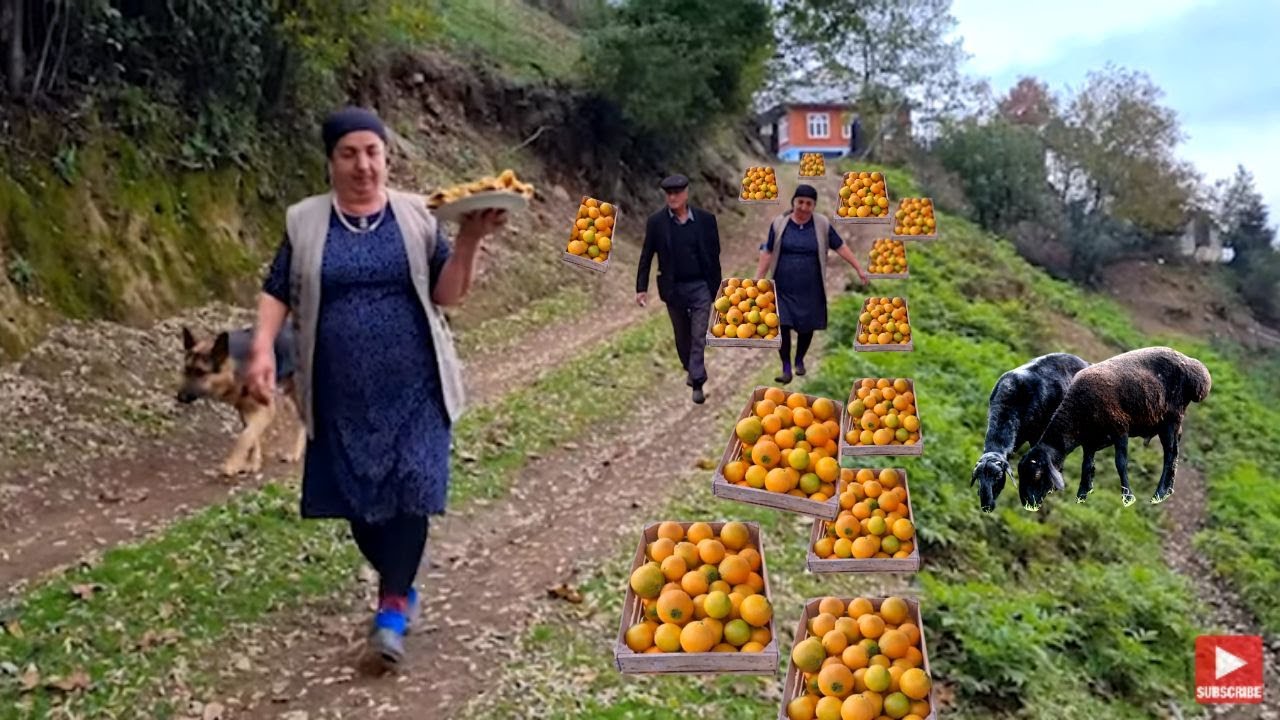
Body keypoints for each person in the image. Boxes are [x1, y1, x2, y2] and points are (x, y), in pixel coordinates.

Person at [242, 106, 507, 670]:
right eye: (349, 154)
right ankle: (402, 586)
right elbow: (276, 289)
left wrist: (468, 242)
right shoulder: (306, 223)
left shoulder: (416, 215)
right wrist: (263, 347)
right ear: (331, 161)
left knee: (412, 486)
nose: (363, 165)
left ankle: (390, 613)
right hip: (338, 391)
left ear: (386, 156)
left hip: (415, 385)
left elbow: (447, 296)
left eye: (373, 152)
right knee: (361, 503)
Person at [755, 183, 868, 384]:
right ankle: (786, 367)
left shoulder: (822, 224)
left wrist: (858, 268)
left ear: (814, 205)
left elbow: (840, 246)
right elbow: (768, 251)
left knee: (807, 328)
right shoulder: (779, 224)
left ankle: (799, 359)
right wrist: (757, 278)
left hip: (811, 287)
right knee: (781, 325)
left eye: (809, 203)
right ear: (793, 202)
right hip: (783, 286)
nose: (804, 207)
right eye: (800, 202)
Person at [636, 174, 722, 404]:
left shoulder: (706, 220)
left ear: (686, 194)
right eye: (668, 194)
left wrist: (718, 287)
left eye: (676, 193)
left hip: (700, 287)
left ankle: (697, 382)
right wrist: (641, 287)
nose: (672, 197)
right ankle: (692, 369)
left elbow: (714, 257)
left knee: (698, 335)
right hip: (673, 288)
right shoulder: (657, 222)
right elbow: (647, 255)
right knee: (682, 338)